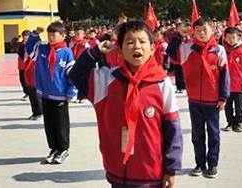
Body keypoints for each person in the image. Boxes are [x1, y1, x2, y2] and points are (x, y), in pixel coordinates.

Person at [69, 20, 182, 187]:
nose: (137, 46)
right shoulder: (107, 80)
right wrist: (95, 52)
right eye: (129, 42)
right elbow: (75, 75)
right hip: (117, 172)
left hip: (151, 174)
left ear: (152, 48)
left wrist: (171, 169)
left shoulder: (162, 85)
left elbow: (173, 130)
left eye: (142, 42)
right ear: (120, 49)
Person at [168, 18, 228, 178]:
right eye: (198, 30)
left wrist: (223, 97)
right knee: (197, 134)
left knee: (214, 134)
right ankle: (199, 164)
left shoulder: (219, 50)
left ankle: (213, 164)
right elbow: (170, 53)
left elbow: (224, 75)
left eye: (205, 30)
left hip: (213, 101)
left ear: (213, 30)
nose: (202, 33)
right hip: (194, 100)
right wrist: (178, 36)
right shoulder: (187, 48)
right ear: (193, 32)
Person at [34, 22, 77, 164]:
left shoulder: (66, 52)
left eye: (54, 35)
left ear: (63, 36)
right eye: (49, 35)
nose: (51, 37)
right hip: (46, 94)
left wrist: (71, 91)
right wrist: (35, 35)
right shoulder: (42, 49)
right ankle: (53, 148)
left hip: (60, 94)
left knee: (61, 124)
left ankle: (63, 149)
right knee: (49, 124)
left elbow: (72, 74)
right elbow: (28, 49)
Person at [222, 27, 242, 133]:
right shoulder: (222, 50)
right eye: (228, 37)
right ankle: (230, 123)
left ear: (238, 37)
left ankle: (238, 123)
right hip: (226, 85)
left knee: (239, 106)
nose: (231, 40)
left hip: (239, 85)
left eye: (233, 37)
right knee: (227, 106)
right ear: (224, 38)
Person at [24, 27, 44, 120]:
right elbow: (29, 45)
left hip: (38, 76)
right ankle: (35, 112)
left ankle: (40, 112)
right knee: (32, 95)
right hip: (29, 74)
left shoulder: (42, 50)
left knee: (37, 96)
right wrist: (35, 33)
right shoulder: (31, 51)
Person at [17, 30, 31, 101]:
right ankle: (26, 93)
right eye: (24, 36)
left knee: (29, 80)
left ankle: (30, 93)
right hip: (21, 65)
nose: (25, 37)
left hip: (29, 65)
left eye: (27, 35)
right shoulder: (21, 44)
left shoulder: (32, 44)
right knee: (22, 79)